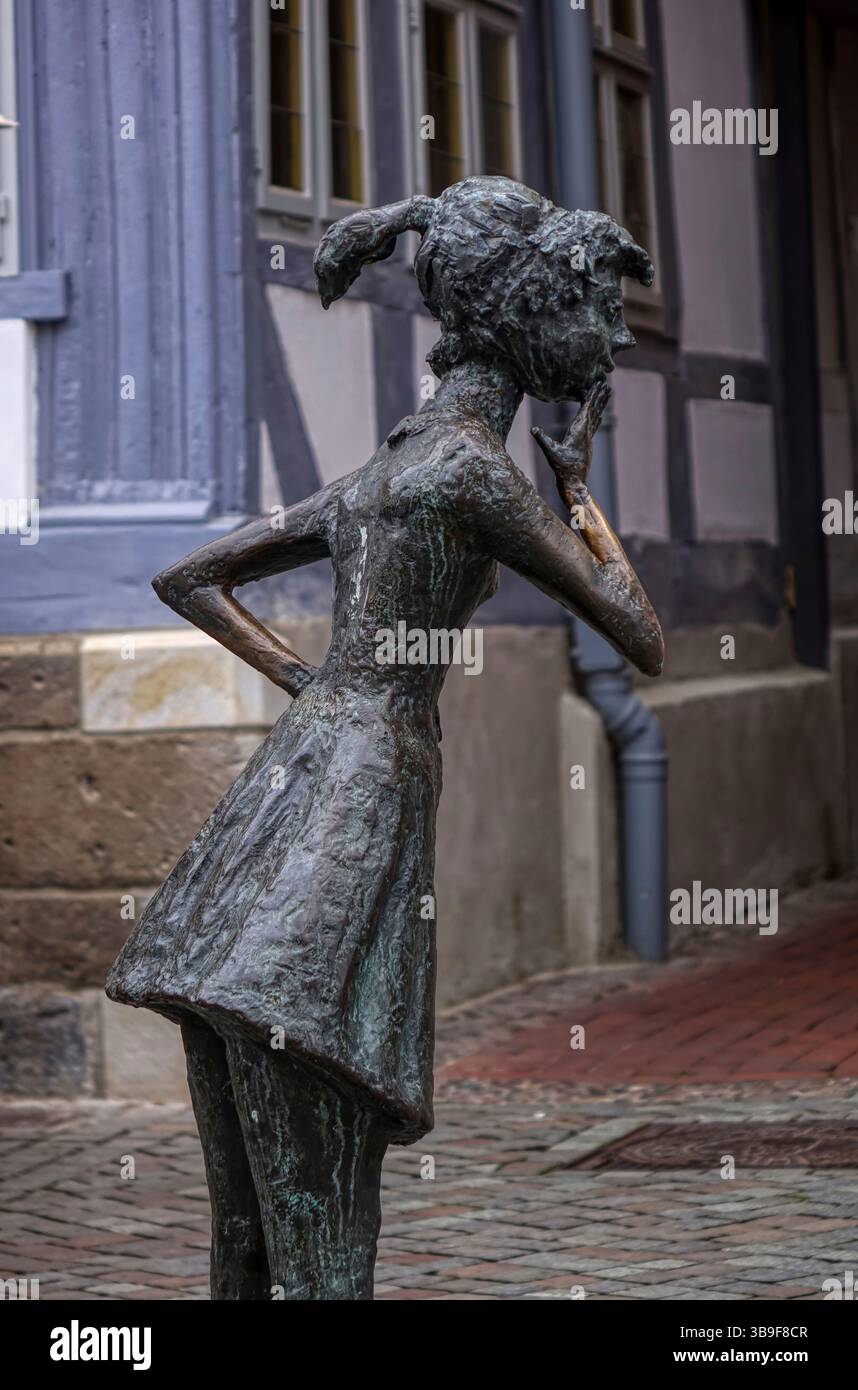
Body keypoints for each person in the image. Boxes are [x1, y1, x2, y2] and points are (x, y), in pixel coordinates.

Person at [106, 176, 664, 1300]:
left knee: (248, 1237)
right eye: (595, 307)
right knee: (319, 1203)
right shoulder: (471, 469)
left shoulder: (390, 466)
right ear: (521, 311)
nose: (610, 337)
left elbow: (189, 578)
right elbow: (639, 635)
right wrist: (585, 507)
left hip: (287, 786)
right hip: (361, 795)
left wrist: (316, 682)